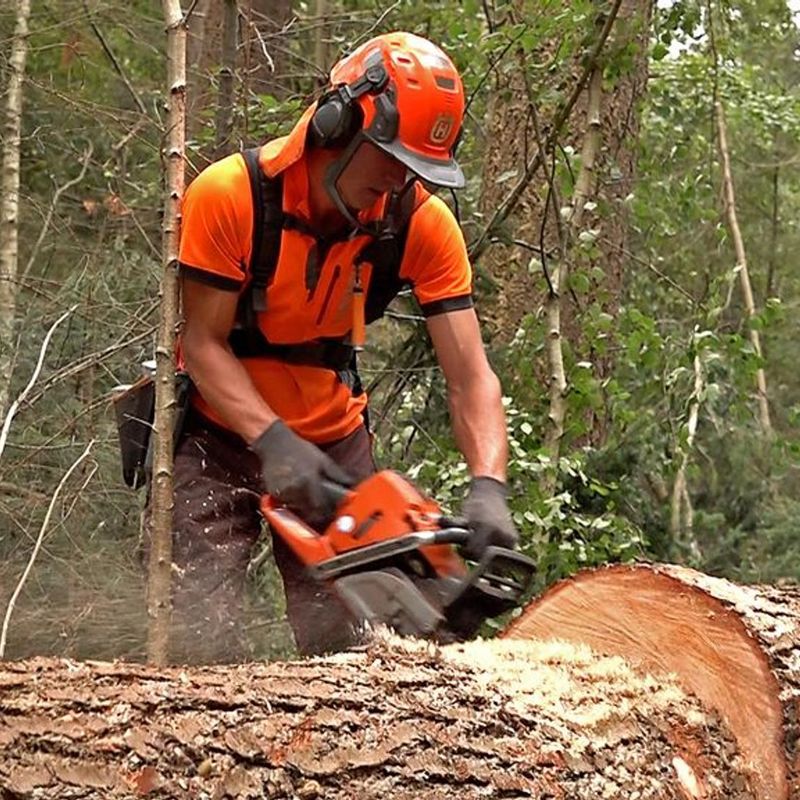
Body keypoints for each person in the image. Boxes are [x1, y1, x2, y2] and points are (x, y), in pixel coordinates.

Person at [157, 31, 518, 663]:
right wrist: (271, 440)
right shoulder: (231, 196)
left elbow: (471, 378)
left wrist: (488, 485)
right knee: (201, 635)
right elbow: (204, 344)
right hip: (219, 436)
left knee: (355, 652)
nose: (399, 182)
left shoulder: (421, 222)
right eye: (390, 159)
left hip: (336, 443)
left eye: (416, 169)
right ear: (337, 122)